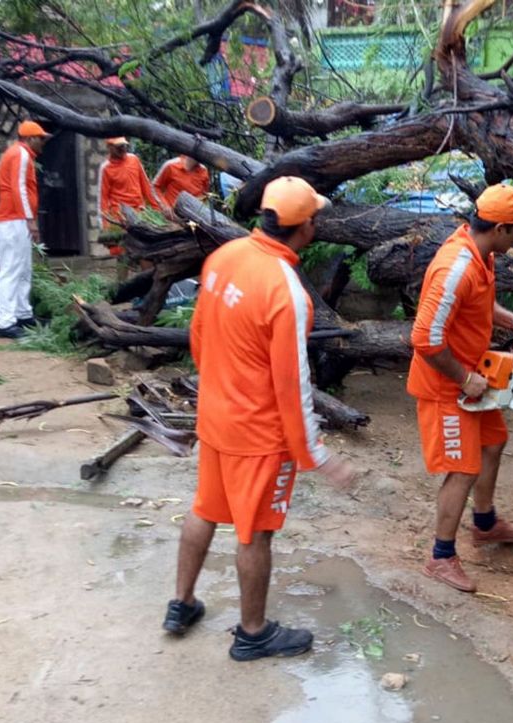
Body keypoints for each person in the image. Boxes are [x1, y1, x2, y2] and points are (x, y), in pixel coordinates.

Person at [162, 176, 356, 661]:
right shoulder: (287, 292)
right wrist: (317, 456)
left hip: (217, 415)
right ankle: (252, 632)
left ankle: (181, 604)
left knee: (205, 508)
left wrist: (219, 390)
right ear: (306, 227)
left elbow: (199, 334)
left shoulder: (223, 258)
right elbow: (292, 385)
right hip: (258, 434)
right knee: (254, 532)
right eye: (315, 217)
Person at [408, 183, 513, 593]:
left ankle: (484, 524)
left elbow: (480, 305)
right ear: (500, 228)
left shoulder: (481, 255)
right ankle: (440, 557)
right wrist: (464, 379)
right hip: (446, 385)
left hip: (470, 382)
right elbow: (425, 338)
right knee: (462, 468)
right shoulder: (457, 267)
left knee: (493, 443)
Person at [0, 120, 50, 339]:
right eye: (41, 138)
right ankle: (5, 322)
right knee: (12, 270)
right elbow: (19, 188)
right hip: (13, 219)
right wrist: (30, 220)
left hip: (16, 219)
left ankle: (23, 314)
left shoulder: (19, 153)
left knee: (24, 269)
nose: (43, 142)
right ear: (30, 138)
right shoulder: (21, 154)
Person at [97, 136, 167, 232]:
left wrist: (158, 211)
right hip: (119, 217)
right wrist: (105, 225)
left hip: (139, 213)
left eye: (124, 146)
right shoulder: (105, 168)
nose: (123, 149)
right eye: (119, 147)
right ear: (110, 147)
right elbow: (103, 200)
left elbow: (147, 188)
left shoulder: (134, 160)